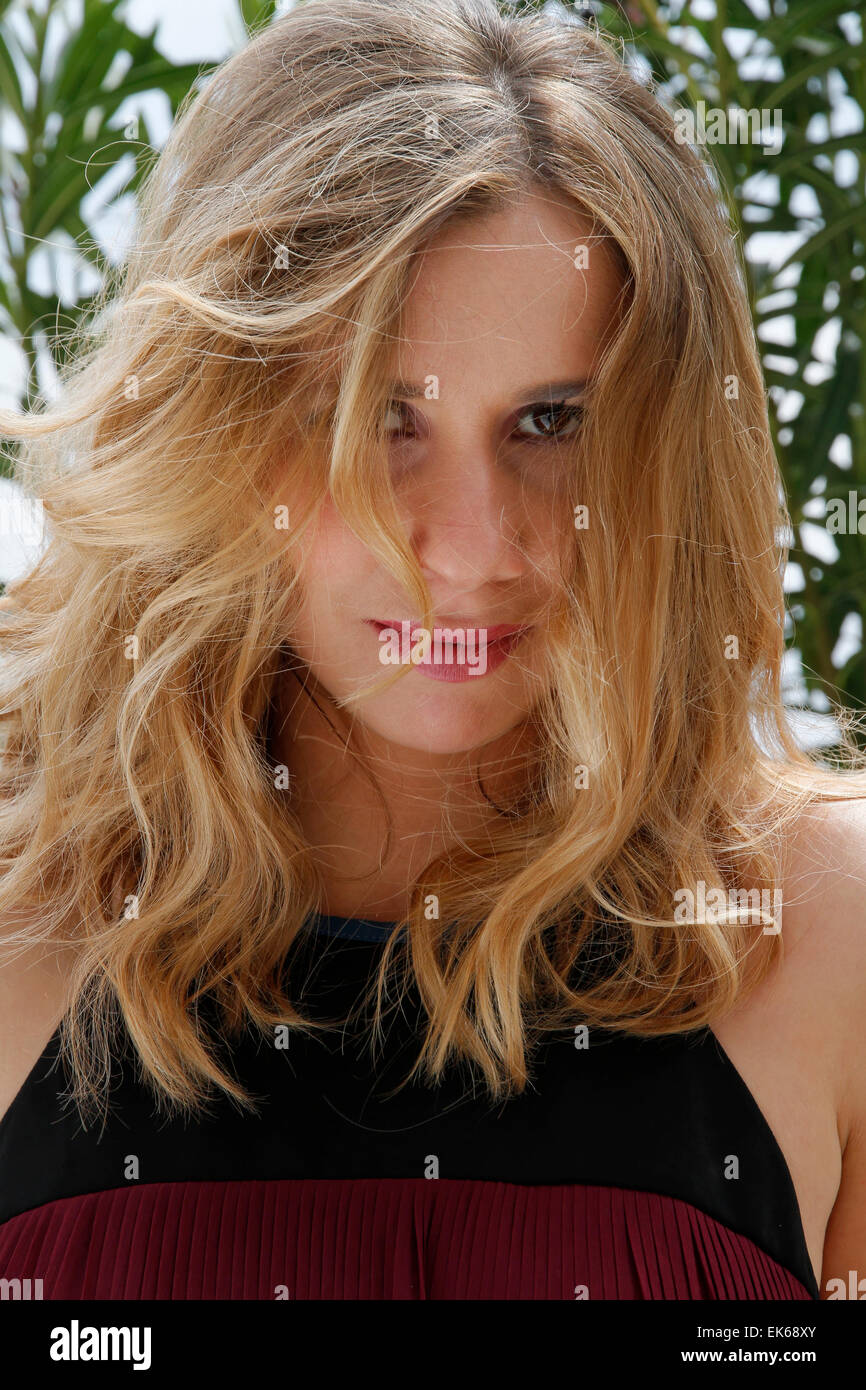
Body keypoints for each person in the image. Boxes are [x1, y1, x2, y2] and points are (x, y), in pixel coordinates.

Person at [0, 0, 864, 1302]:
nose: (470, 548)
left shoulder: (829, 936)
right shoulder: (22, 917)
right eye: (380, 417)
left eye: (552, 419)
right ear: (214, 419)